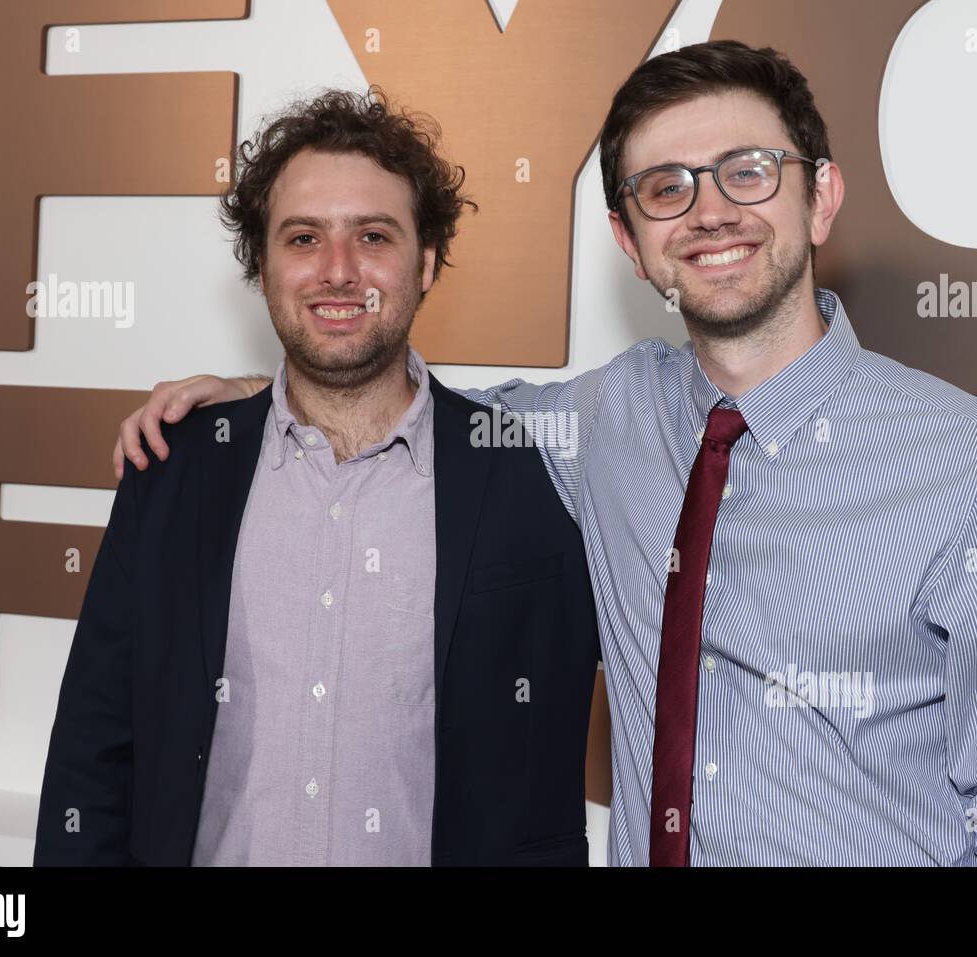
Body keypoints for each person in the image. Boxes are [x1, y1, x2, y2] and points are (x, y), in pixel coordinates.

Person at [115, 41, 977, 866]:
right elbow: (401, 407)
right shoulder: (601, 421)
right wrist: (253, 392)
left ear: (822, 198)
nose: (710, 210)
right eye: (665, 187)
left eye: (748, 171)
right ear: (631, 243)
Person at [36, 89, 600, 866]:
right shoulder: (174, 469)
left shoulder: (526, 472)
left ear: (427, 260)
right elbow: (95, 751)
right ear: (262, 265)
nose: (339, 272)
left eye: (374, 235)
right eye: (303, 238)